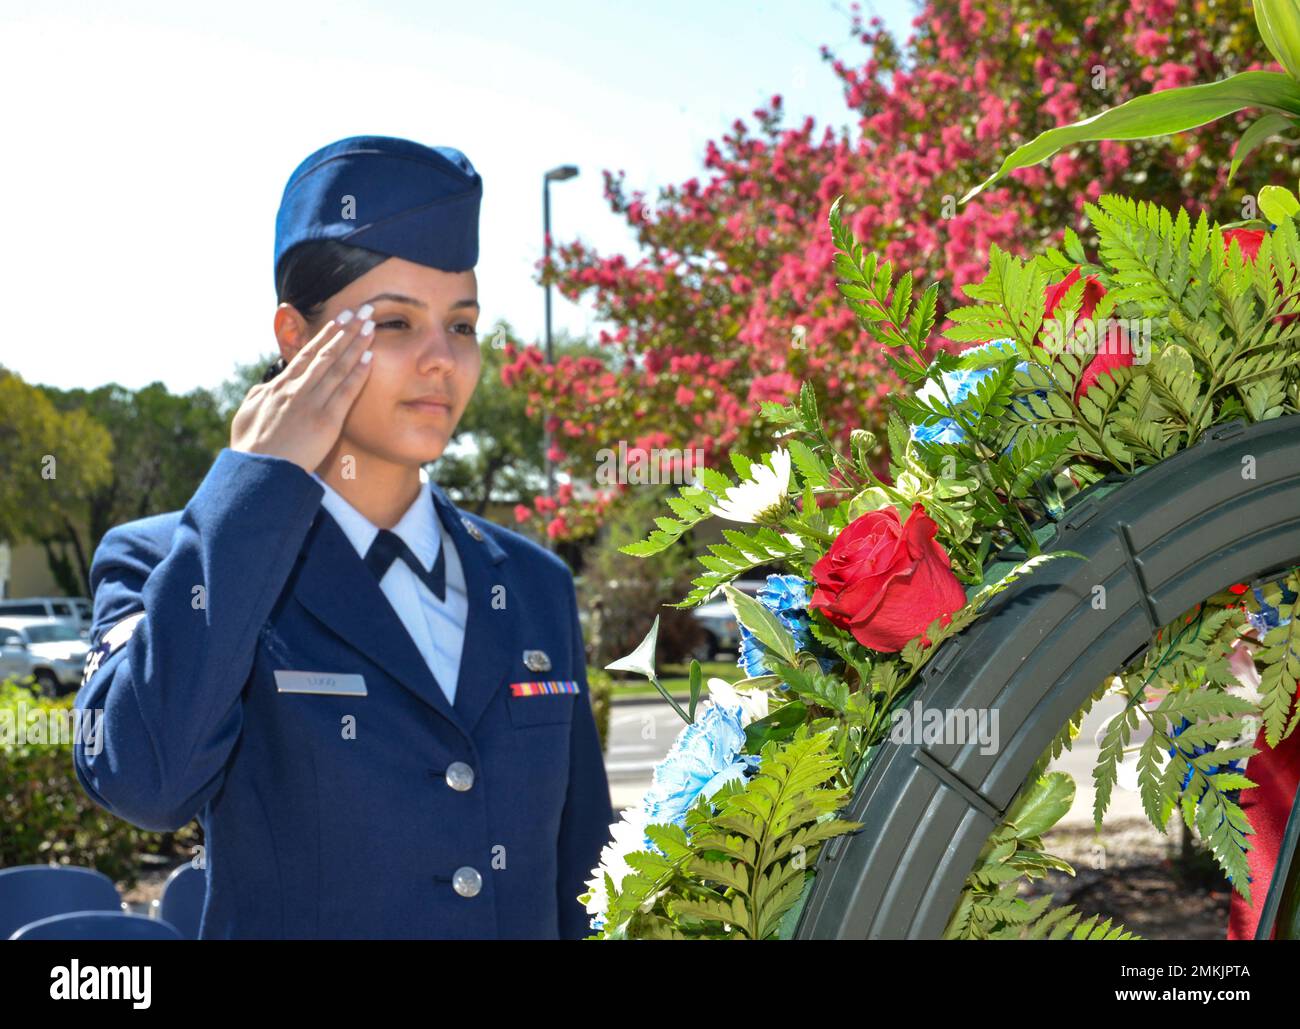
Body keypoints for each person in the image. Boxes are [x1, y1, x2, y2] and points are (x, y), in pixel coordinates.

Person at [72, 135, 614, 940]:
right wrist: (255, 482)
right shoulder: (170, 560)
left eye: (461, 325)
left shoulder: (532, 584)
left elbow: (586, 882)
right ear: (294, 338)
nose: (442, 360)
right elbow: (143, 781)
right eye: (395, 322)